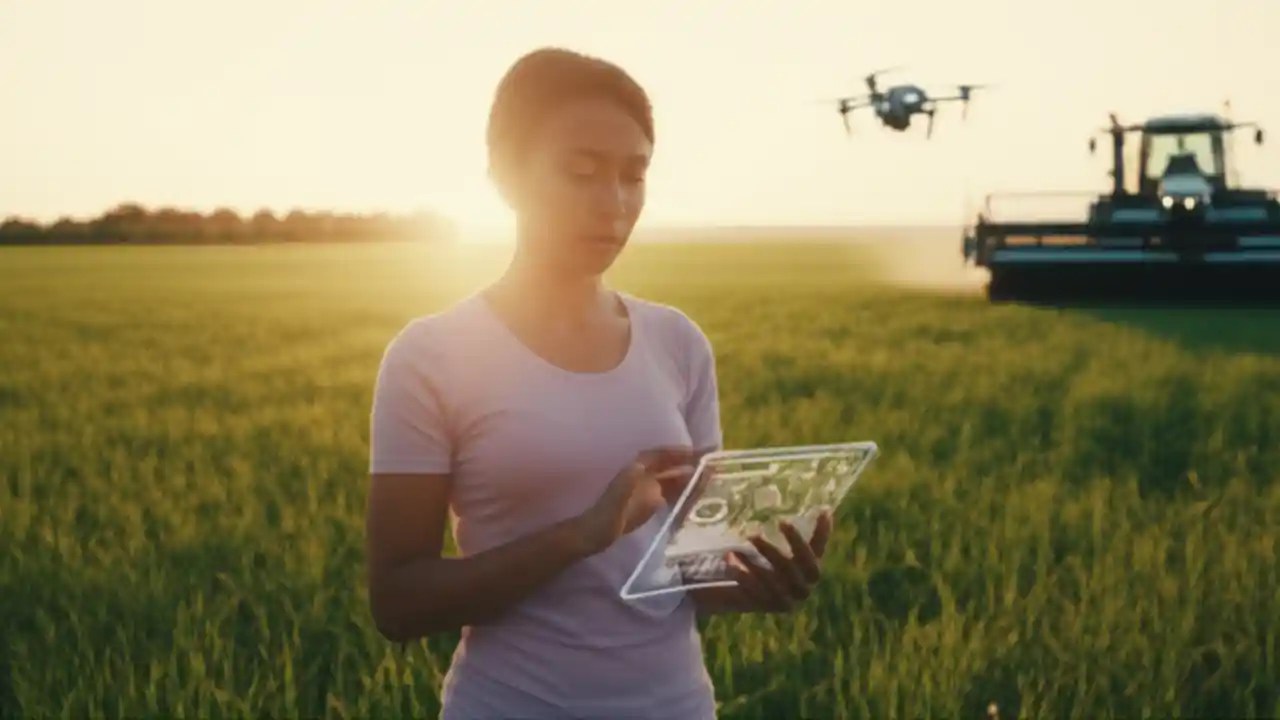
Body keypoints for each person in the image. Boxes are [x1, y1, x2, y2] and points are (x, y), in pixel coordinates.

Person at [364, 46, 835, 720]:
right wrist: (580, 535)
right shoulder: (430, 356)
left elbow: (688, 572)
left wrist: (762, 583)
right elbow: (398, 602)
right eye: (582, 172)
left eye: (633, 175)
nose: (613, 204)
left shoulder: (678, 344)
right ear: (504, 177)